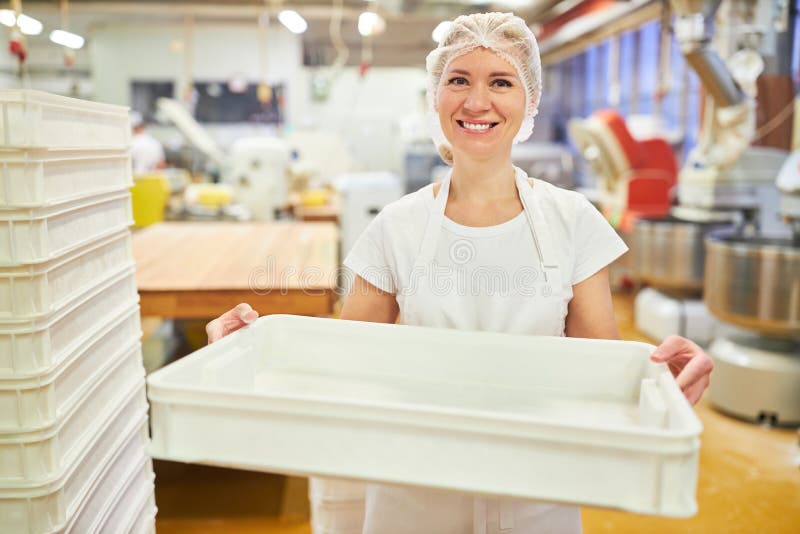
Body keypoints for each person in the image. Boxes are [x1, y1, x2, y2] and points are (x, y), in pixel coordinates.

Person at [206, 12, 713, 533]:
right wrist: (250, 349)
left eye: (501, 82)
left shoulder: (572, 221)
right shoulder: (396, 227)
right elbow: (339, 368)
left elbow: (604, 378)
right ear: (436, 96)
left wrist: (662, 383)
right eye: (459, 80)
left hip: (536, 496)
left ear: (530, 99)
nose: (476, 101)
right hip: (414, 501)